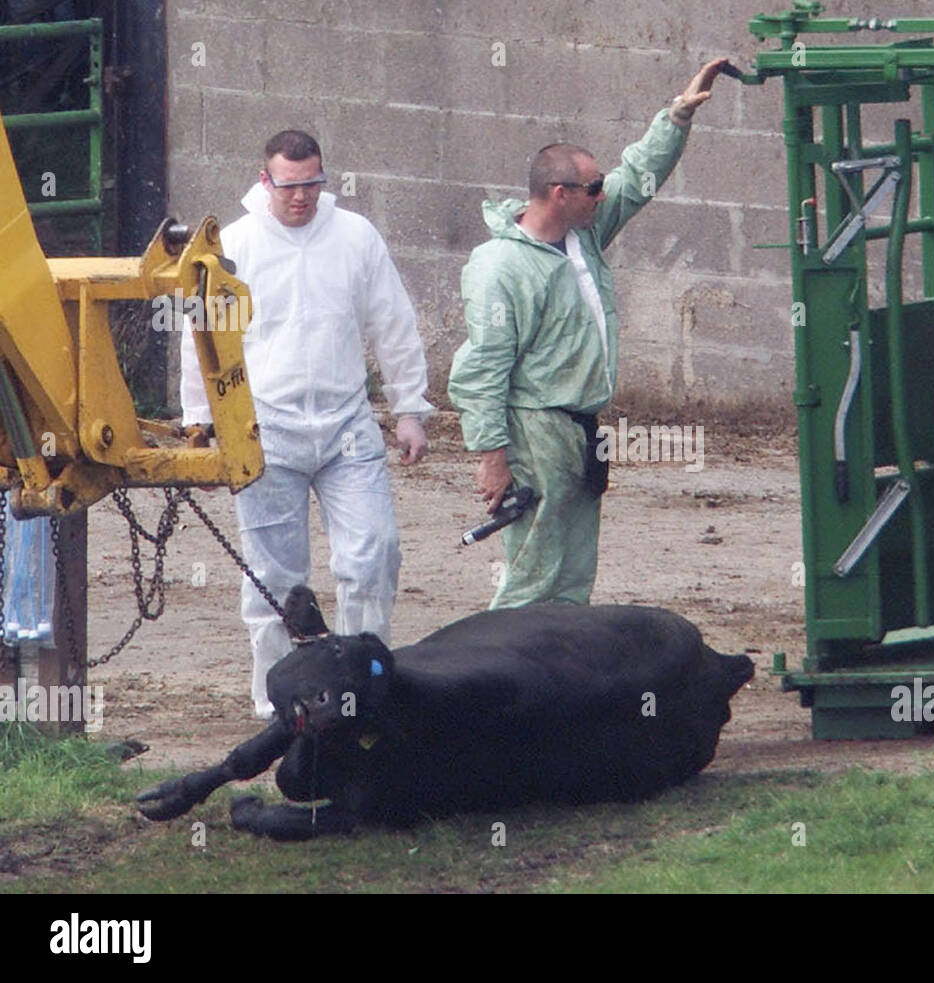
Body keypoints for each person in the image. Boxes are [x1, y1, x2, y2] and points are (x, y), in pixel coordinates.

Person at [447, 58, 730, 608]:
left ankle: (555, 680)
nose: (603, 194)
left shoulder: (585, 234)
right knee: (533, 572)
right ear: (559, 192)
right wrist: (491, 455)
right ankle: (505, 679)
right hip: (536, 427)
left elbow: (636, 179)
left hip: (580, 426)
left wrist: (675, 118)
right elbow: (482, 366)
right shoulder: (498, 266)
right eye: (592, 187)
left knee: (573, 571)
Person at [180, 130, 433, 718]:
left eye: (313, 184)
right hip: (266, 427)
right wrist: (200, 420)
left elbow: (392, 322)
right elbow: (204, 342)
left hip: (346, 423)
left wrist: (410, 408)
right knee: (274, 573)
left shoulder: (354, 237)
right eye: (290, 186)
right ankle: (279, 700)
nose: (302, 197)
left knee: (374, 552)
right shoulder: (235, 247)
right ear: (265, 180)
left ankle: (362, 685)